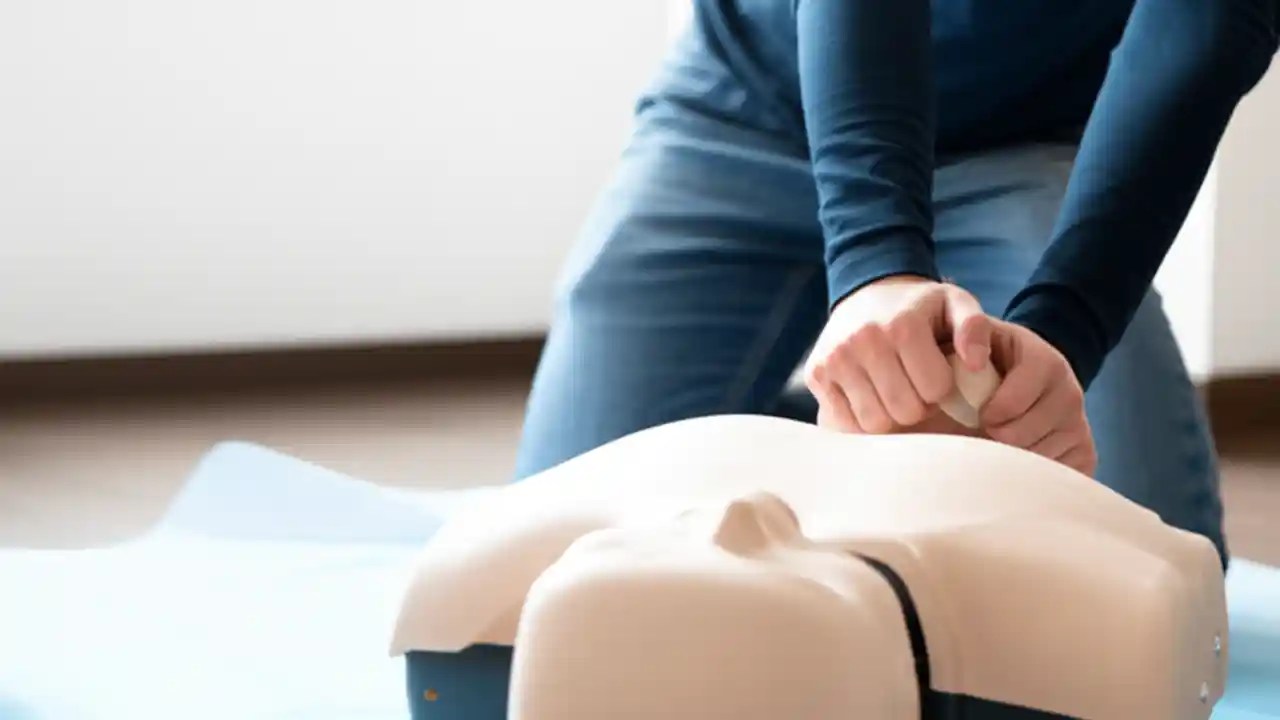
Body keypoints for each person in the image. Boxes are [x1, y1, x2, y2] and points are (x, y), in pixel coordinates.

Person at [514, 0, 1280, 564]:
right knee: (540, 571)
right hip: (742, 111)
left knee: (1149, 569)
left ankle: (857, 424)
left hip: (1018, 142)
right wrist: (878, 267)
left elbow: (1207, 25)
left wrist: (1064, 330)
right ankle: (830, 427)